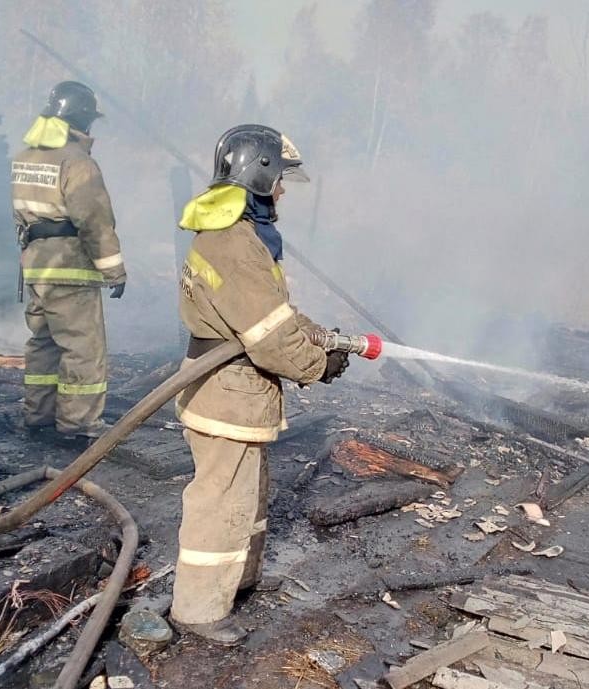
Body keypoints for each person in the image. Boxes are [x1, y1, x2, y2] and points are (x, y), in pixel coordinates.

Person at [171, 125, 348, 644]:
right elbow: (270, 339)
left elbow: (275, 315)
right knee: (220, 503)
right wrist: (318, 365)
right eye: (281, 179)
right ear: (261, 172)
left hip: (233, 394)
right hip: (227, 394)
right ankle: (200, 611)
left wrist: (324, 338)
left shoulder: (239, 236)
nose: (284, 191)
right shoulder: (235, 244)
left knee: (245, 496)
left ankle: (236, 586)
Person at [11, 81, 126, 440]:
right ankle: (77, 425)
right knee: (82, 349)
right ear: (81, 119)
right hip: (70, 269)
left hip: (35, 266)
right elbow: (94, 222)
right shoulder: (78, 163)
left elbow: (21, 215)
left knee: (43, 344)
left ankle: (40, 414)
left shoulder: (25, 157)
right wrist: (114, 271)